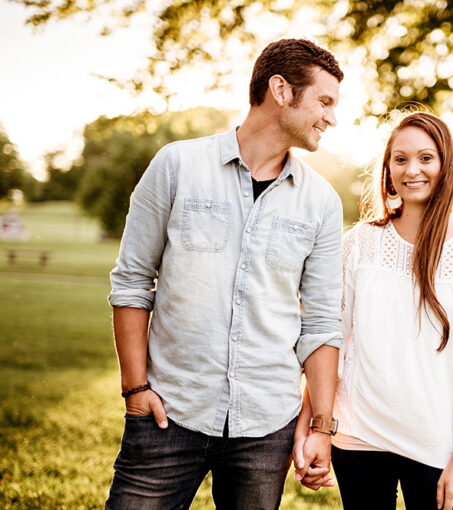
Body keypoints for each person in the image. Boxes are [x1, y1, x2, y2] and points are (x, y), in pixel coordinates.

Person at [106, 38, 344, 509]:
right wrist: (135, 389)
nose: (331, 118)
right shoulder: (177, 166)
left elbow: (321, 322)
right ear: (281, 90)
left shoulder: (322, 202)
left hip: (266, 427)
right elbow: (132, 282)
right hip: (168, 412)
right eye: (324, 101)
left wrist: (321, 425)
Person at [318, 111, 453, 510]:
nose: (412, 170)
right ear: (388, 169)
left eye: (426, 158)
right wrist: (315, 425)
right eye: (400, 159)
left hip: (438, 445)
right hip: (358, 436)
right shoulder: (360, 243)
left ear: (445, 164)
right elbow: (331, 339)